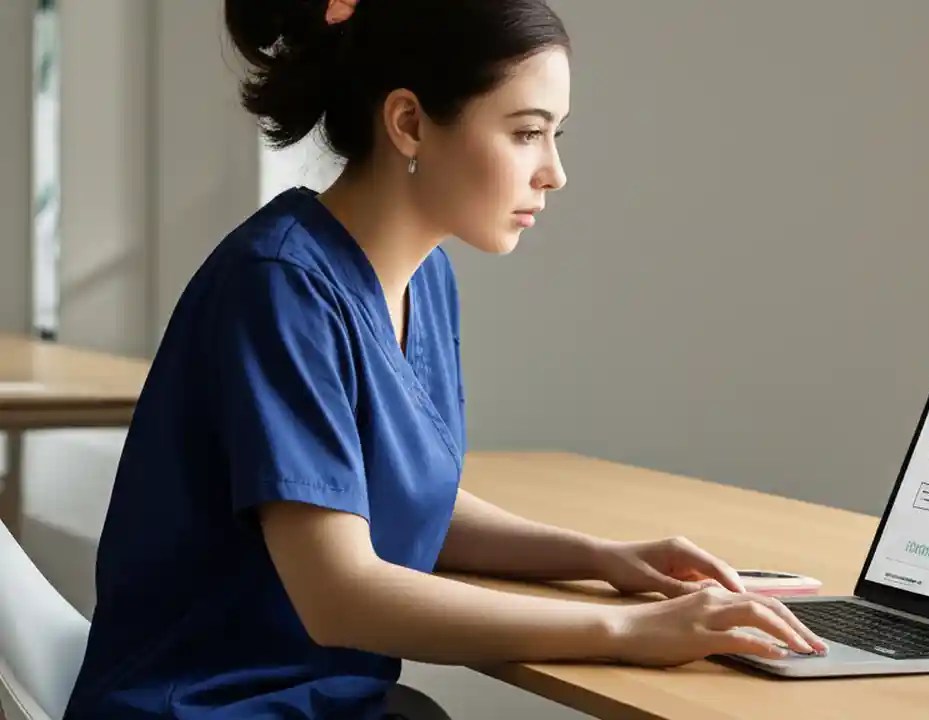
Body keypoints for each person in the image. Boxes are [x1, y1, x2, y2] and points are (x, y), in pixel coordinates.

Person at [62, 1, 827, 717]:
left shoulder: (424, 278)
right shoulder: (280, 289)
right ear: (408, 122)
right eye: (527, 132)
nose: (554, 171)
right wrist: (623, 631)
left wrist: (603, 558)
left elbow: (392, 500)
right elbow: (340, 592)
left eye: (557, 134)